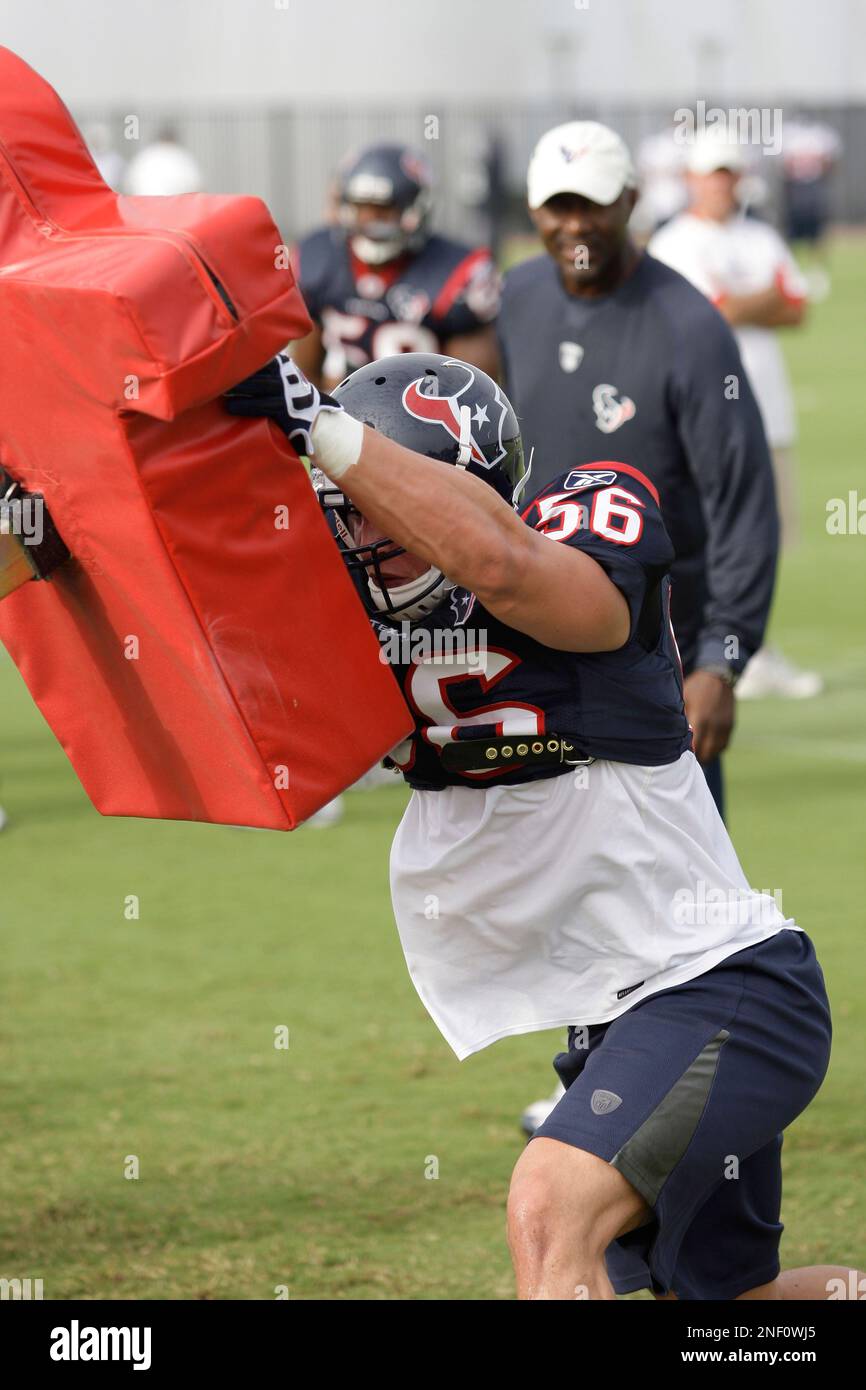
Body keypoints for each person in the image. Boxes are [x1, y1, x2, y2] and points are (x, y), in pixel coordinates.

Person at [223, 351, 861, 1303]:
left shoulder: (580, 524)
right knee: (734, 1316)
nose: (357, 525)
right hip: (618, 1010)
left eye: (380, 501)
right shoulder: (351, 611)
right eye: (346, 502)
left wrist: (322, 425)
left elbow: (506, 568)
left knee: (550, 1206)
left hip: (721, 989)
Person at [497, 121, 779, 818]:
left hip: (659, 663)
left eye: (591, 204)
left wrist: (722, 660)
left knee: (680, 899)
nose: (574, 226)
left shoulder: (689, 327)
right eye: (557, 207)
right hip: (532, 654)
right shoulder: (511, 300)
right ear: (534, 211)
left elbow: (742, 503)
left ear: (628, 200)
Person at [650, 132, 822, 699]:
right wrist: (757, 300)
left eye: (728, 173)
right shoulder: (674, 241)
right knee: (706, 537)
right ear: (693, 178)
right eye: (712, 173)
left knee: (764, 536)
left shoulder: (761, 235)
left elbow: (795, 307)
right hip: (701, 418)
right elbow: (709, 310)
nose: (721, 183)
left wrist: (741, 301)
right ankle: (704, 651)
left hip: (768, 410)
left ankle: (754, 648)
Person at [290, 143, 500, 393]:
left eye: (384, 210)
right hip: (340, 415)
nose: (370, 222)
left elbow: (473, 392)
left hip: (425, 421)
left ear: (415, 208)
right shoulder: (319, 258)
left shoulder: (456, 272)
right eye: (362, 208)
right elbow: (306, 378)